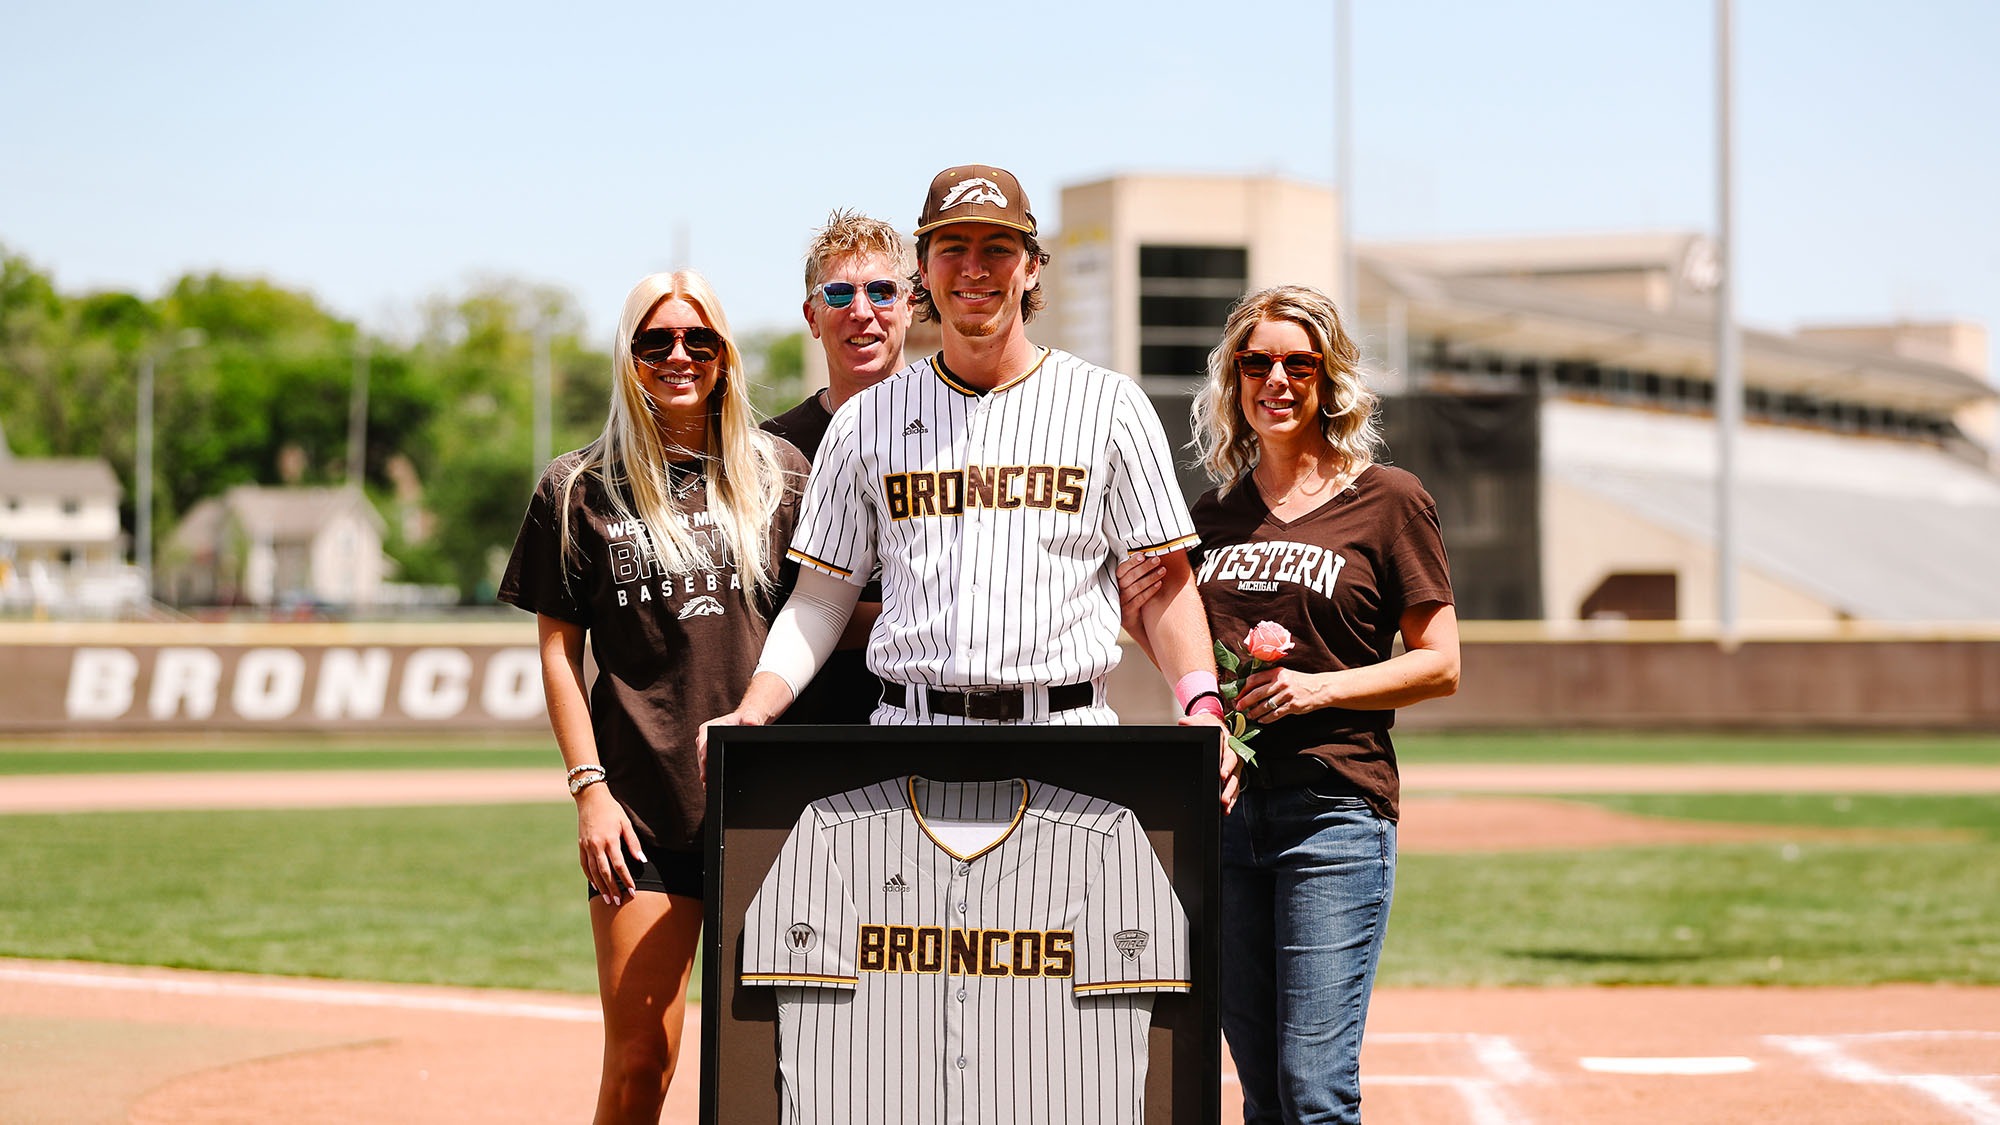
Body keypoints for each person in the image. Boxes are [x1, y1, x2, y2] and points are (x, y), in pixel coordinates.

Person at [707, 164, 1234, 803]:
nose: (974, 269)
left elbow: (1165, 581)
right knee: (909, 912)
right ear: (923, 271)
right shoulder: (866, 421)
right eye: (952, 248)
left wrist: (1203, 703)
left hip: (1066, 735)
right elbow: (820, 599)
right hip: (911, 734)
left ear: (1033, 266)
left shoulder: (1109, 404)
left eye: (997, 248)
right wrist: (755, 711)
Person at [1121, 284, 1460, 1123]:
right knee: (1263, 1090)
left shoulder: (1388, 499)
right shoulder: (1209, 517)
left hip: (1334, 813)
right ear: (1233, 379)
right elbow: (1201, 669)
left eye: (1298, 362)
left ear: (1328, 377)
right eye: (1256, 362)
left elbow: (1441, 663)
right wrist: (1139, 627)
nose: (1276, 378)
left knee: (1314, 1087)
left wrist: (1320, 687)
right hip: (1230, 821)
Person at [498, 271, 808, 1123]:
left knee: (779, 1071)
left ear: (724, 356)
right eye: (656, 340)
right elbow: (561, 656)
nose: (679, 356)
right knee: (642, 1062)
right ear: (628, 356)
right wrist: (588, 789)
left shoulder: (779, 472)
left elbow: (819, 616)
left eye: (698, 340)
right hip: (641, 811)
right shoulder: (576, 488)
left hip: (765, 812)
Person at [760, 209, 911, 723]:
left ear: (910, 304)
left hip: (929, 725)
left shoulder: (962, 429)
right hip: (807, 727)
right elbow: (766, 612)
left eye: (882, 291)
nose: (862, 311)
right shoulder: (767, 451)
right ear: (811, 316)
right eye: (840, 294)